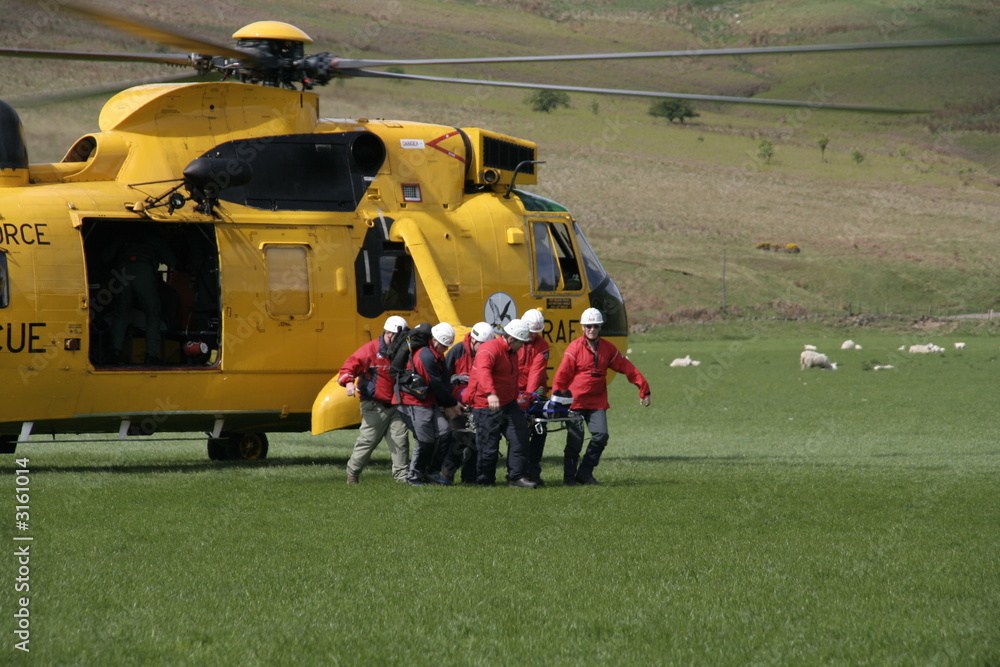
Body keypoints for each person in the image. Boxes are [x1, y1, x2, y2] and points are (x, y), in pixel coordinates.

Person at [552, 307, 651, 486]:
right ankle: (569, 478)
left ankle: (584, 473)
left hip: (597, 402)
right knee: (575, 441)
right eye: (589, 326)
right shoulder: (574, 348)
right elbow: (562, 375)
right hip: (575, 402)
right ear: (583, 327)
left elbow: (626, 367)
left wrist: (644, 388)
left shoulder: (608, 349)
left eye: (595, 326)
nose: (592, 329)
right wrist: (557, 398)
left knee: (601, 436)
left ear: (600, 327)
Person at [337, 315, 411, 484]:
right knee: (367, 441)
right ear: (389, 333)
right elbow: (348, 368)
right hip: (374, 406)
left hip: (396, 406)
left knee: (400, 441)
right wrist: (348, 383)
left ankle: (402, 478)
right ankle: (352, 474)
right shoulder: (370, 349)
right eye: (397, 336)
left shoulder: (404, 351)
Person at [468, 319, 536, 488]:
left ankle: (516, 477)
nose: (523, 346)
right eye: (521, 342)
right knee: (488, 445)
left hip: (509, 403)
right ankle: (485, 481)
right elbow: (484, 372)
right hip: (486, 404)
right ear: (512, 339)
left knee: (520, 437)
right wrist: (491, 393)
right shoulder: (489, 350)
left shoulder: (512, 352)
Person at [398, 322, 463, 486]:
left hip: (427, 401)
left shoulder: (436, 353)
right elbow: (435, 383)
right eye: (443, 346)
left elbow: (442, 381)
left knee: (444, 433)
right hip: (413, 402)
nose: (445, 349)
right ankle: (414, 476)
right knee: (425, 439)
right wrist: (451, 404)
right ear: (434, 340)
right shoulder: (425, 356)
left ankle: (431, 471)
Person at [109, 227, 178, 364]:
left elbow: (106, 257)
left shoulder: (122, 234)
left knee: (121, 313)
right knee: (152, 313)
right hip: (144, 270)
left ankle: (115, 351)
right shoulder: (152, 235)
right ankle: (151, 354)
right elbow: (172, 261)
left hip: (123, 271)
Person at [440, 321, 495, 484]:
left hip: (480, 404)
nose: (485, 349)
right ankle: (448, 471)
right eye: (482, 345)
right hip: (459, 405)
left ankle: (470, 476)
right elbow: (444, 378)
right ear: (473, 340)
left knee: (478, 439)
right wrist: (450, 403)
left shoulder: (490, 353)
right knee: (459, 437)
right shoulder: (457, 351)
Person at [518, 308, 550, 485]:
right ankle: (517, 472)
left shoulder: (542, 345)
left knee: (540, 430)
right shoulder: (513, 340)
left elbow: (536, 374)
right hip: (513, 392)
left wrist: (528, 398)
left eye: (536, 332)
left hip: (533, 392)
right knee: (516, 432)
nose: (533, 336)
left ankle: (533, 471)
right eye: (531, 332)